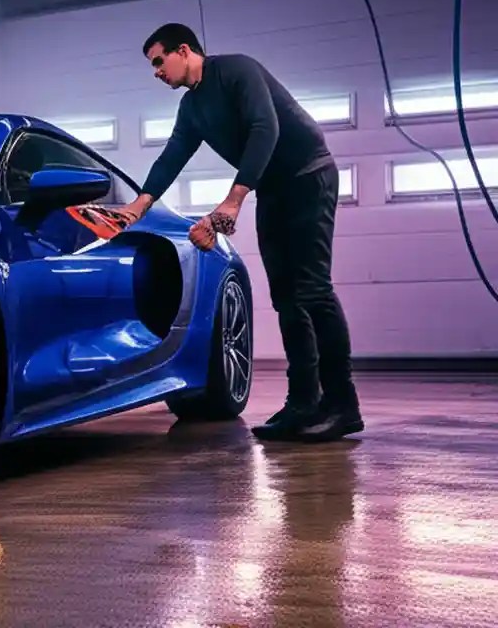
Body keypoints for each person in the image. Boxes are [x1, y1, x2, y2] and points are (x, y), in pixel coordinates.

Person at [116, 22, 363, 442]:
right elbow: (172, 155)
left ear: (184, 51)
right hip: (273, 189)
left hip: (308, 177)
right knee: (286, 297)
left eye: (159, 61)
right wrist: (138, 206)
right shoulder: (192, 108)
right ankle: (304, 403)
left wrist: (234, 198)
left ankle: (343, 405)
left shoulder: (237, 72)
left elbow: (266, 129)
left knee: (313, 290)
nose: (156, 72)